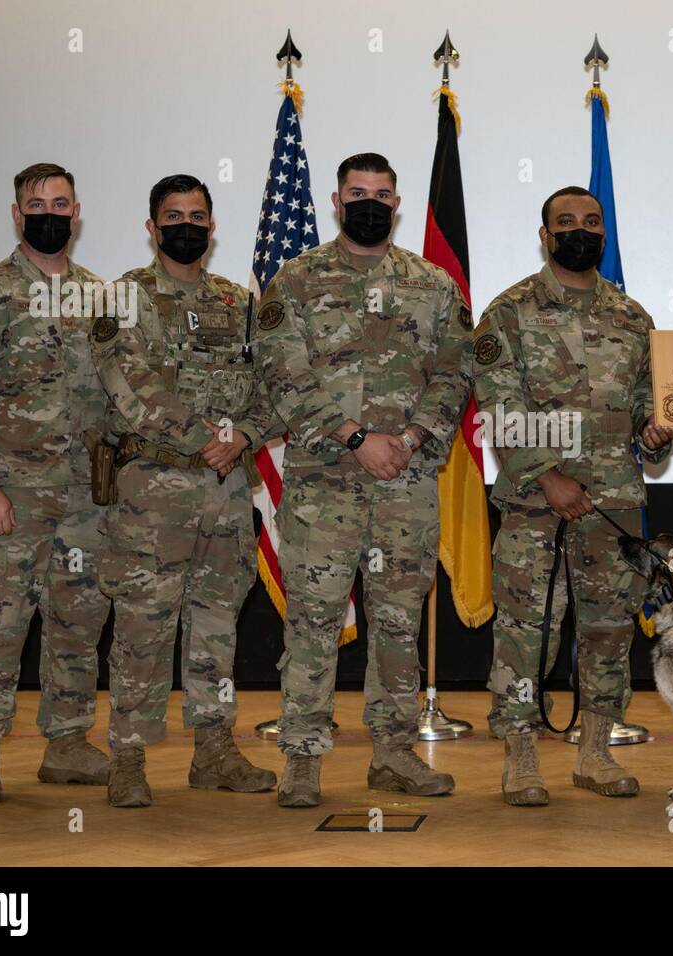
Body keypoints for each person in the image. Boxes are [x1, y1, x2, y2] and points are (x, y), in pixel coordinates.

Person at [255, 152, 470, 807]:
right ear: (336, 201)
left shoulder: (433, 284)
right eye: (358, 193)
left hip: (405, 483)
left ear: (398, 203)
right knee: (314, 625)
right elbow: (282, 374)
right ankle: (302, 761)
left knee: (399, 624)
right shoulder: (296, 280)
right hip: (323, 485)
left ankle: (396, 754)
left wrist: (405, 440)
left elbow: (456, 374)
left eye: (381, 193)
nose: (370, 202)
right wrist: (354, 439)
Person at [472, 185, 673, 806]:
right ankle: (522, 757)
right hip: (537, 506)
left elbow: (648, 405)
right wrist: (546, 478)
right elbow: (498, 407)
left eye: (591, 222)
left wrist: (658, 429)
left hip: (611, 505)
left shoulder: (633, 318)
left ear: (604, 235)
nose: (579, 232)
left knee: (610, 630)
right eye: (566, 223)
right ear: (545, 234)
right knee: (527, 631)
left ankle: (595, 750)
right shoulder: (509, 312)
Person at [93, 174, 282, 808]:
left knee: (217, 626)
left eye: (198, 215)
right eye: (173, 215)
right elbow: (128, 386)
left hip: (227, 492)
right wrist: (206, 436)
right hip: (154, 491)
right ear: (151, 227)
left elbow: (274, 385)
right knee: (143, 628)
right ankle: (128, 756)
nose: (187, 225)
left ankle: (214, 750)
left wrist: (247, 434)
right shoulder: (123, 298)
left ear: (212, 225)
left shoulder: (239, 302)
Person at [0, 162, 111, 803]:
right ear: (16, 214)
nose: (48, 212)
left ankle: (66, 744)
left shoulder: (101, 297)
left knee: (78, 621)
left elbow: (120, 399)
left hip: (85, 501)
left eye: (60, 203)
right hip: (8, 494)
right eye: (35, 203)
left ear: (76, 212)